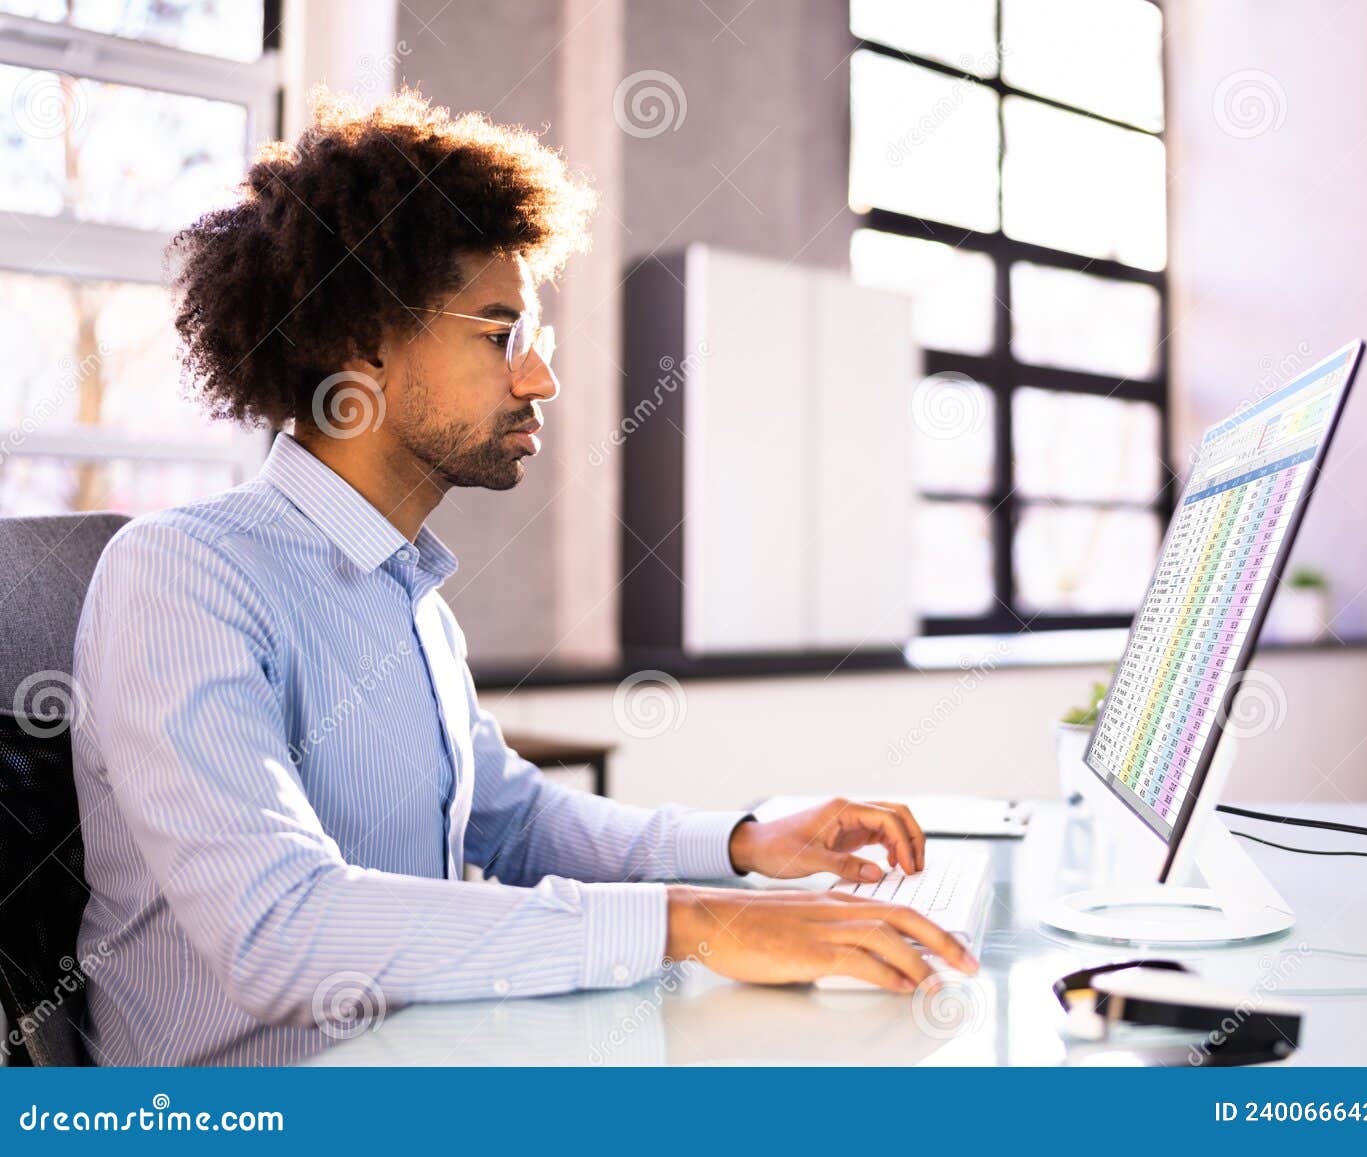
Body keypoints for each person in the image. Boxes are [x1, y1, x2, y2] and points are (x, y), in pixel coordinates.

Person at [69, 89, 974, 1067]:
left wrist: (746, 841)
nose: (539, 377)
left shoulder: (402, 590)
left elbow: (513, 819)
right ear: (355, 343)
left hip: (422, 1057)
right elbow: (276, 925)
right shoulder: (185, 577)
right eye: (499, 333)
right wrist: (687, 920)